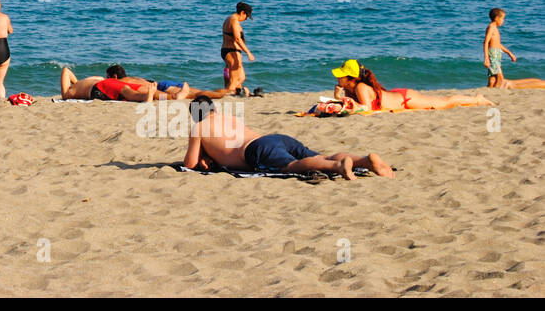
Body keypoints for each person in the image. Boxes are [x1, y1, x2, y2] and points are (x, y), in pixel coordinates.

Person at [182, 96, 393, 179]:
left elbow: (190, 164)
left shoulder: (199, 127)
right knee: (322, 156)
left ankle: (339, 166)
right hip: (274, 138)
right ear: (214, 108)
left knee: (293, 166)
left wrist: (202, 158)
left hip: (257, 151)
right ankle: (364, 160)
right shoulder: (226, 116)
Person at [331, 59, 493, 111]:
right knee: (443, 101)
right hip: (396, 96)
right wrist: (340, 97)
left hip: (405, 99)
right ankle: (476, 98)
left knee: (445, 102)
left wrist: (343, 101)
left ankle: (477, 99)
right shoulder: (352, 88)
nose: (338, 78)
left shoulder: (360, 88)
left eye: (341, 76)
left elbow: (365, 109)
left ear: (350, 78)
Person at [483, 9, 545, 89]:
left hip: (497, 52)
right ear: (496, 18)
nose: (503, 21)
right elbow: (486, 42)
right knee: (499, 77)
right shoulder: (491, 27)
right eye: (502, 18)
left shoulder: (495, 28)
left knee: (493, 77)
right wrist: (486, 58)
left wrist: (509, 53)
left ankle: (491, 87)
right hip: (493, 53)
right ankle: (500, 87)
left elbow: (497, 44)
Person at [59, 64, 188, 102]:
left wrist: (75, 84)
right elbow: (67, 70)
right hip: (104, 84)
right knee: (137, 88)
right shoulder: (83, 83)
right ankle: (173, 96)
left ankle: (147, 97)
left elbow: (65, 71)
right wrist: (77, 82)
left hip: (99, 88)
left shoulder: (70, 92)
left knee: (127, 92)